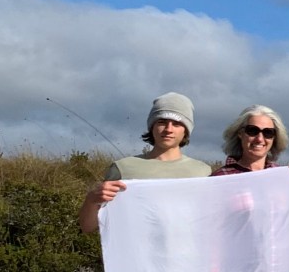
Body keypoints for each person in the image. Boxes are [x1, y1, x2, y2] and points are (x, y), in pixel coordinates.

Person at [78, 92, 213, 232]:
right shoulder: (122, 168)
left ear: (186, 130)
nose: (168, 129)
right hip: (132, 253)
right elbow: (88, 227)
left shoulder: (203, 172)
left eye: (177, 124)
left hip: (188, 253)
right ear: (152, 126)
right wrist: (92, 199)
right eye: (162, 122)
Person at [215, 105, 289, 175]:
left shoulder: (283, 176)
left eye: (268, 132)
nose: (259, 139)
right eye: (252, 130)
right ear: (240, 133)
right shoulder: (220, 179)